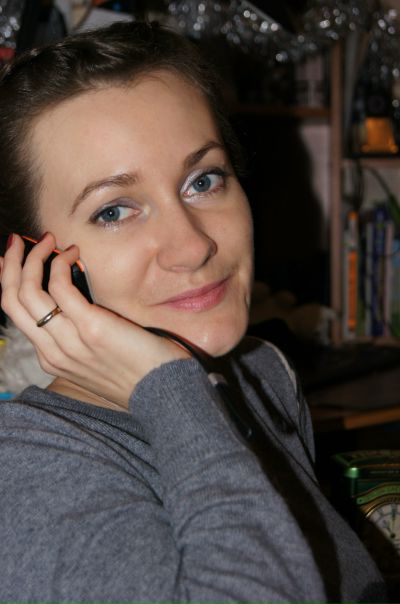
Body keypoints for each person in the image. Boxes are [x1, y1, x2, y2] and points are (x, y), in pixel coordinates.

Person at [0, 20, 387, 604]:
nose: (193, 245)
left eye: (203, 180)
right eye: (114, 211)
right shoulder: (27, 471)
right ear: (32, 264)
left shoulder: (259, 374)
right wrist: (168, 390)